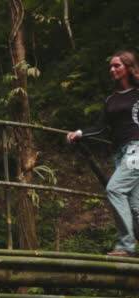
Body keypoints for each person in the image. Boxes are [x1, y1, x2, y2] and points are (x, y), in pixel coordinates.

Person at [67, 50, 139, 256]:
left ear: (128, 67)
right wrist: (79, 133)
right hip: (120, 153)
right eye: (111, 66)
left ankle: (126, 246)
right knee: (135, 205)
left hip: (137, 149)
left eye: (117, 65)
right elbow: (100, 127)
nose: (112, 69)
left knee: (114, 189)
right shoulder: (111, 99)